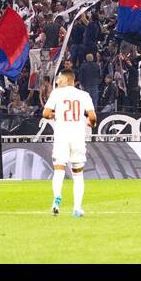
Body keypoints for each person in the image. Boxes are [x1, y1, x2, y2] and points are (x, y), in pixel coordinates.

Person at [42, 68, 96, 218]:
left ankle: (56, 199)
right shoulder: (84, 95)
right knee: (78, 174)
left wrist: (56, 115)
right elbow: (92, 117)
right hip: (77, 137)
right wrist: (90, 123)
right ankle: (77, 208)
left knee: (59, 170)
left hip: (61, 137)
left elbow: (45, 113)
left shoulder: (57, 93)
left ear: (66, 79)